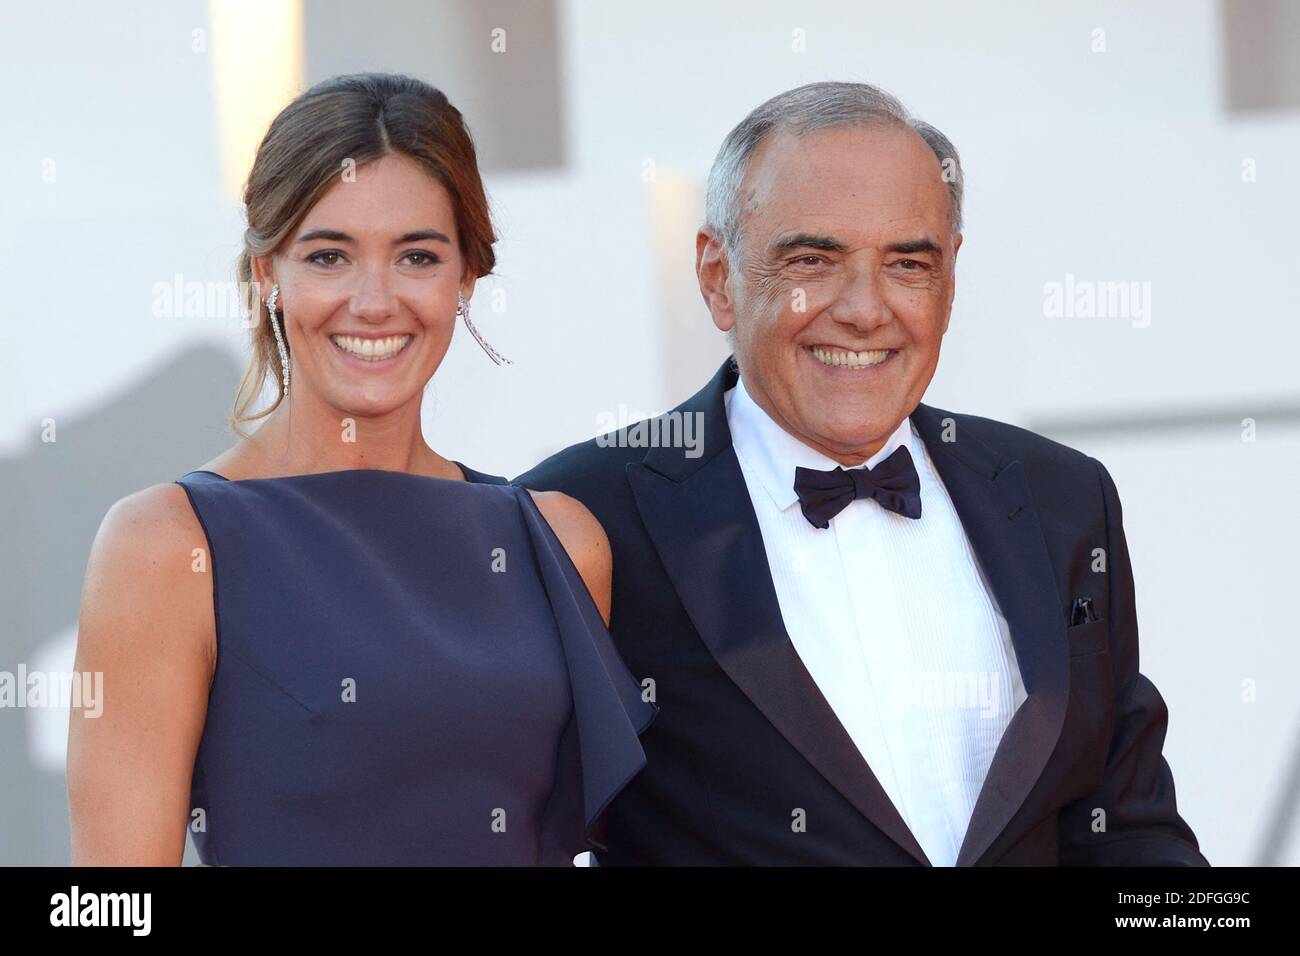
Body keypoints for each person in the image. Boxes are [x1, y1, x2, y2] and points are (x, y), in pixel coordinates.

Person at [516, 81, 1207, 866]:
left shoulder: (1062, 498)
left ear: (949, 282)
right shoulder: (581, 517)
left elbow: (1128, 831)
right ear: (717, 275)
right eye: (813, 259)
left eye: (907, 264)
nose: (865, 309)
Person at [67, 72, 654, 866]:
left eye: (417, 255)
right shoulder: (168, 546)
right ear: (268, 274)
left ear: (465, 280)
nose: (374, 302)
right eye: (329, 255)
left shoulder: (560, 540)